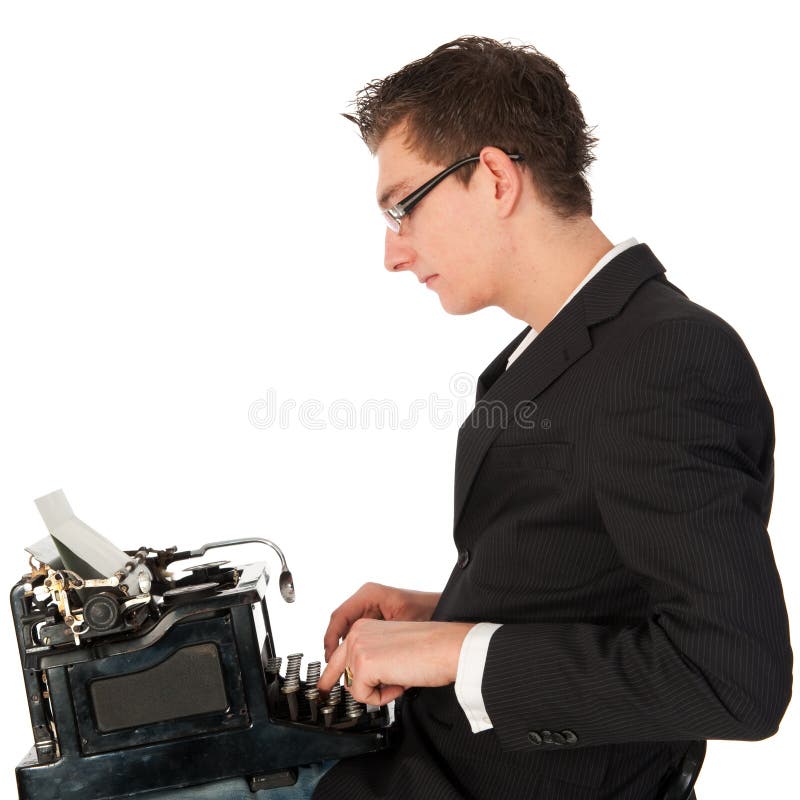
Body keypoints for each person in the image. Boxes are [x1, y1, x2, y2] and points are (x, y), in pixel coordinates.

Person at [309, 36, 793, 800]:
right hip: (427, 761)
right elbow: (611, 585)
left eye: (403, 207)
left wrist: (456, 652)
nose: (393, 253)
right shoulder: (565, 343)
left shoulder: (666, 358)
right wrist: (444, 615)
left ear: (495, 179)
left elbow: (734, 677)